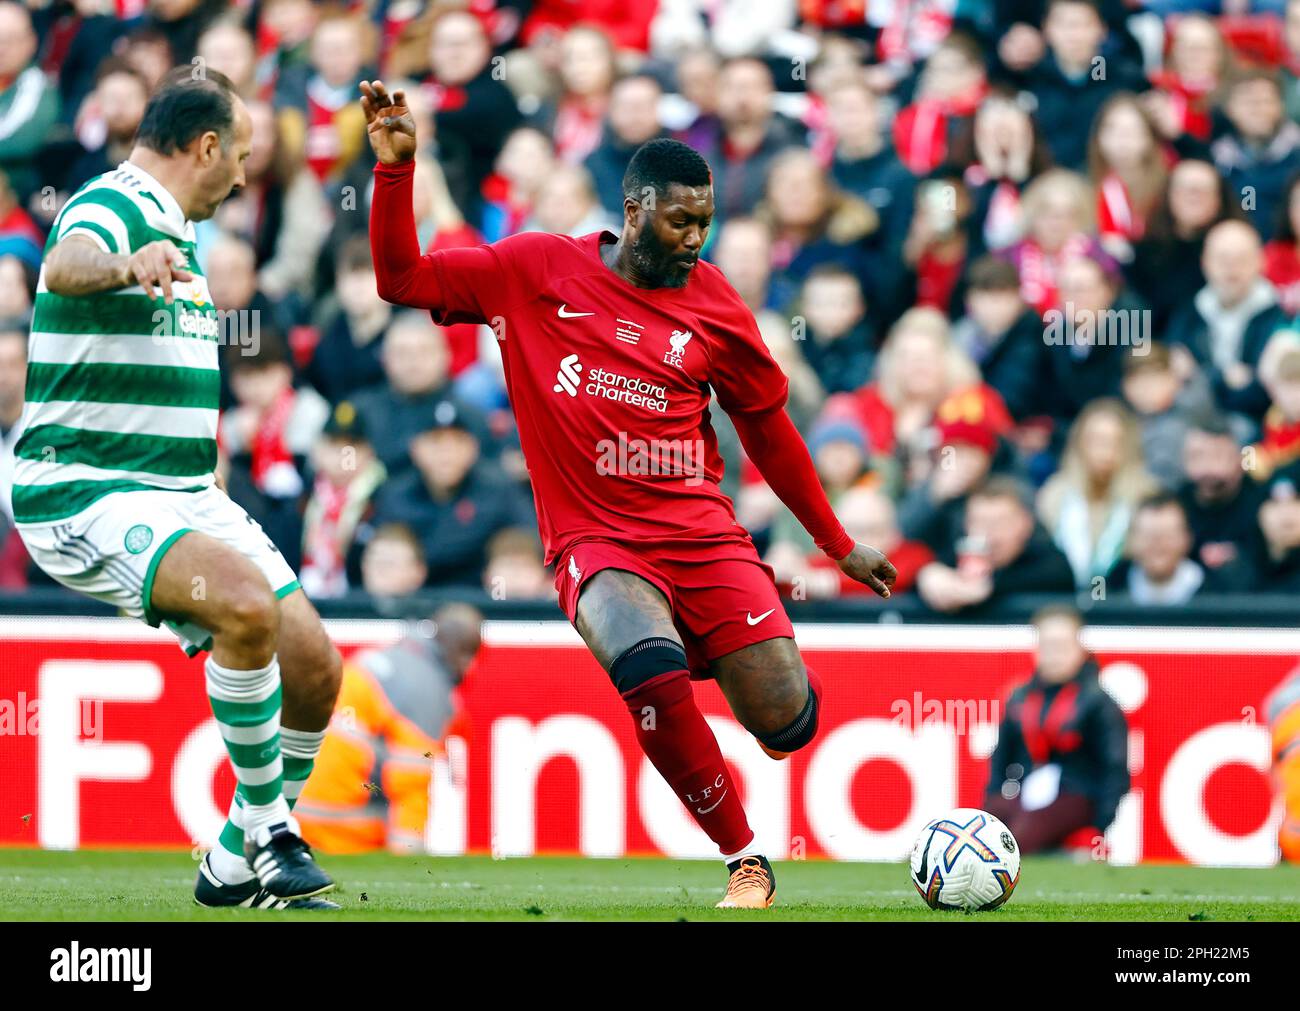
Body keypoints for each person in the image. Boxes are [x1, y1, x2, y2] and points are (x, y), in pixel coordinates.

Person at [363, 80, 897, 909]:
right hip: (596, 541)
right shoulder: (536, 269)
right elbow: (401, 279)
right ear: (636, 208)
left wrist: (838, 543)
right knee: (647, 668)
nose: (695, 238)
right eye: (681, 220)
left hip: (702, 533)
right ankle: (746, 859)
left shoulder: (716, 304)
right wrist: (397, 173)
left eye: (705, 222)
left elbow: (768, 430)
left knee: (787, 724)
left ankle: (741, 667)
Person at [12, 67, 340, 908]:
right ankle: (271, 831)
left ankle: (230, 862)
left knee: (313, 667)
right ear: (206, 147)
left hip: (182, 489)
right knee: (244, 607)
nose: (243, 177)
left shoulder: (179, 233)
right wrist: (126, 264)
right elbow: (69, 261)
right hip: (86, 489)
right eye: (240, 157)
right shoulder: (113, 204)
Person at [298, 603, 483, 854]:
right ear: (461, 653)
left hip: (297, 817)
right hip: (342, 831)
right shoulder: (426, 689)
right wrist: (408, 856)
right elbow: (411, 786)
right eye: (471, 654)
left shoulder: (391, 659)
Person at [984, 605, 1130, 855]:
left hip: (1076, 795)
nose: (1054, 656)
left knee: (1017, 838)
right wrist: (994, 797)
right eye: (1047, 647)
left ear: (1080, 649)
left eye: (1062, 647)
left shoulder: (1098, 702)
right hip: (1027, 791)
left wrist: (1100, 825)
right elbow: (1001, 757)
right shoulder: (1020, 697)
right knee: (983, 826)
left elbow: (1114, 767)